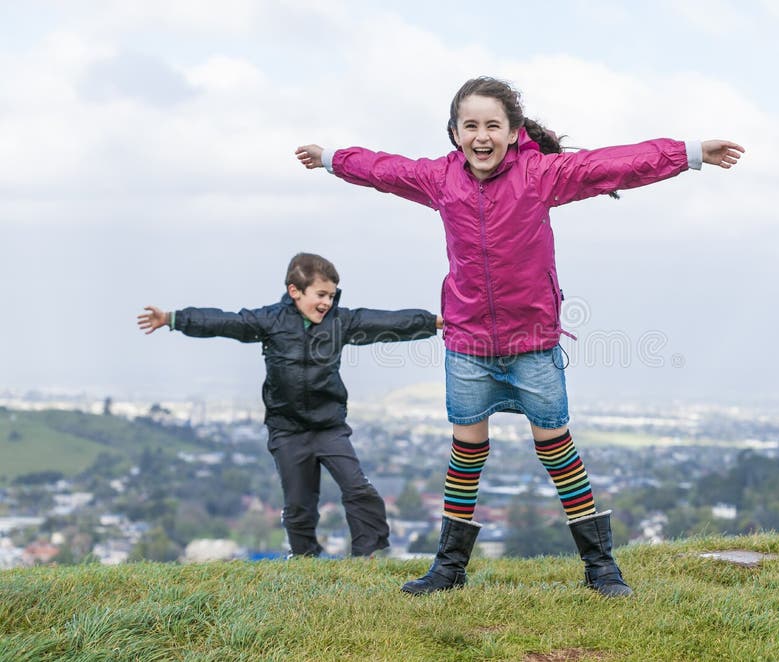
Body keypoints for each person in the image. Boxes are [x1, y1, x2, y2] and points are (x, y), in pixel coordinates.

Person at [295, 76, 744, 596]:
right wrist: (331, 157)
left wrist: (688, 152)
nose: (481, 136)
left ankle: (601, 568)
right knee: (466, 453)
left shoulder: (539, 175)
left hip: (532, 345)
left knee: (557, 451)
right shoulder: (441, 180)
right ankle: (448, 569)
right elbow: (383, 169)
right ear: (454, 133)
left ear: (513, 133)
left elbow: (612, 164)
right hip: (468, 346)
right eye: (471, 126)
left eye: (492, 125)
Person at [137, 252, 441, 559]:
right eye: (320, 294)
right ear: (295, 290)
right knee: (298, 505)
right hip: (287, 431)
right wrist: (173, 319)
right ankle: (304, 559)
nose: (327, 302)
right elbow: (225, 321)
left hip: (329, 427)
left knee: (358, 489)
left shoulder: (340, 322)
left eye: (332, 296)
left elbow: (387, 322)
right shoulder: (270, 321)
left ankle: (365, 556)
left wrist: (433, 322)